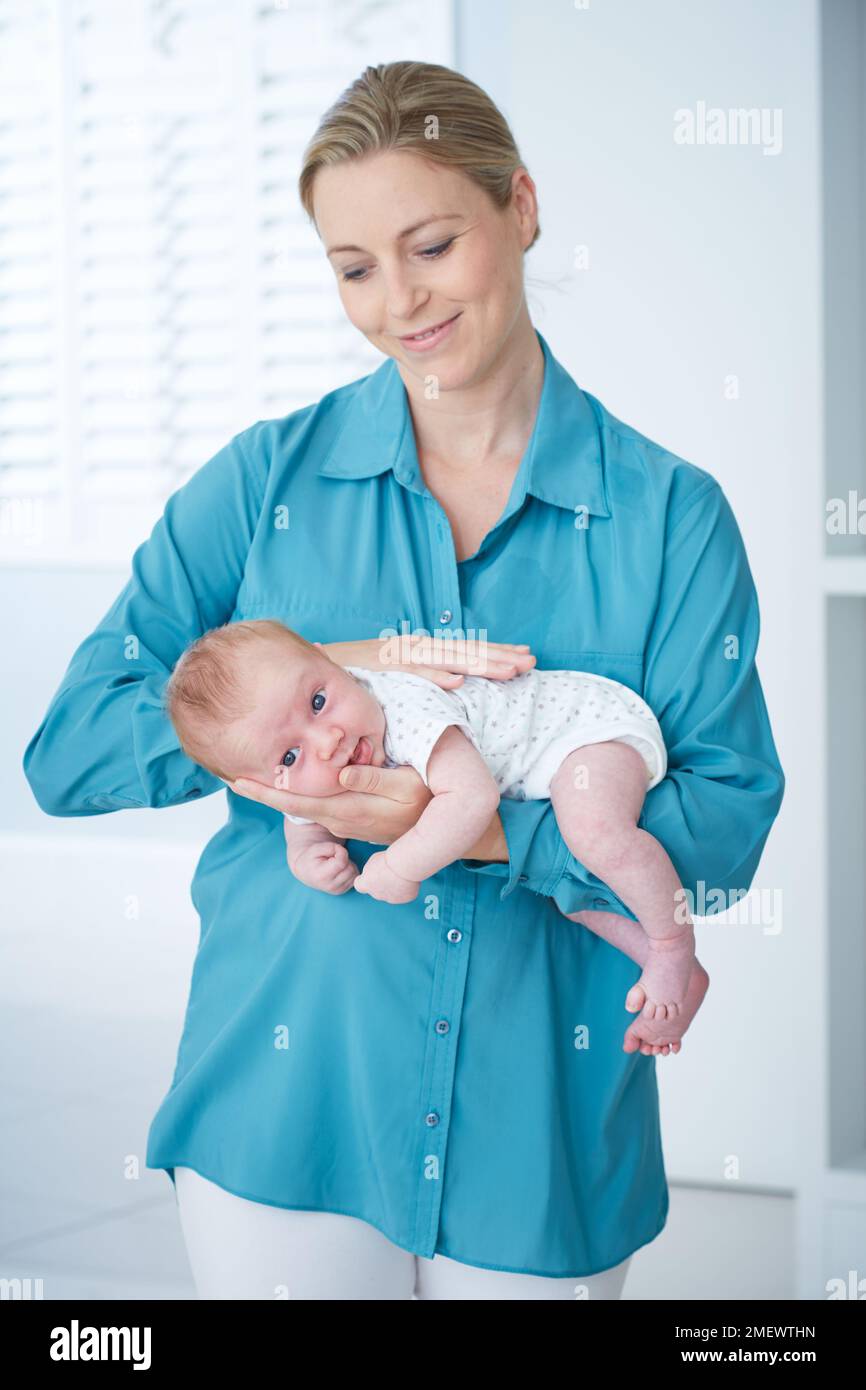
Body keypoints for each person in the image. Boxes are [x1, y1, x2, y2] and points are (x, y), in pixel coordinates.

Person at [21, 60, 785, 1300]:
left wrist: (483, 834)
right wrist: (320, 697)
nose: (398, 301)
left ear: (520, 209)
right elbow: (69, 751)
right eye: (353, 266)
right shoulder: (262, 484)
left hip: (535, 1131)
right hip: (282, 1108)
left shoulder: (669, 519)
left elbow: (724, 837)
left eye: (430, 243)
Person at [163, 617, 706, 1051]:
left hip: (586, 731)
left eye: (319, 701)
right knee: (569, 896)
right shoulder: (313, 770)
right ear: (263, 784)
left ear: (335, 663)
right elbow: (301, 823)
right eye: (289, 753)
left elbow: (471, 799)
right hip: (544, 771)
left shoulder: (401, 707)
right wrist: (309, 854)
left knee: (594, 835)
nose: (327, 739)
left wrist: (401, 867)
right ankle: (675, 971)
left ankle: (671, 943)